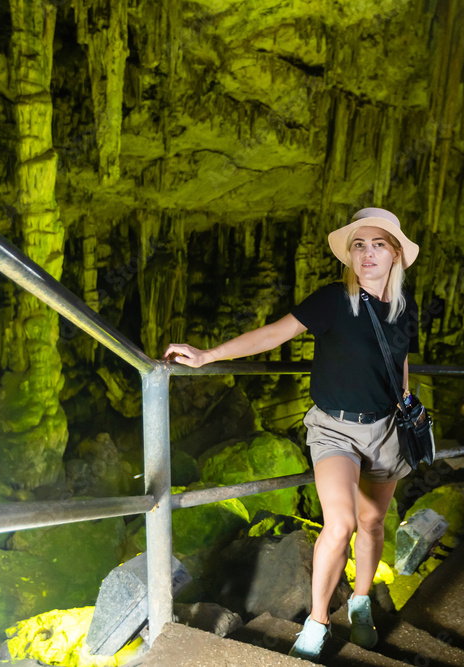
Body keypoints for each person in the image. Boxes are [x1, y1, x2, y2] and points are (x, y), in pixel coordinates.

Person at [162, 207, 420, 661]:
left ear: (396, 253)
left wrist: (405, 401)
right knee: (340, 523)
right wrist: (210, 356)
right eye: (359, 245)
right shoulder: (332, 300)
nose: (367, 253)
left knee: (374, 521)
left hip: (385, 429)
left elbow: (399, 361)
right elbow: (275, 334)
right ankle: (318, 620)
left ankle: (360, 601)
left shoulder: (404, 307)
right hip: (334, 429)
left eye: (378, 244)